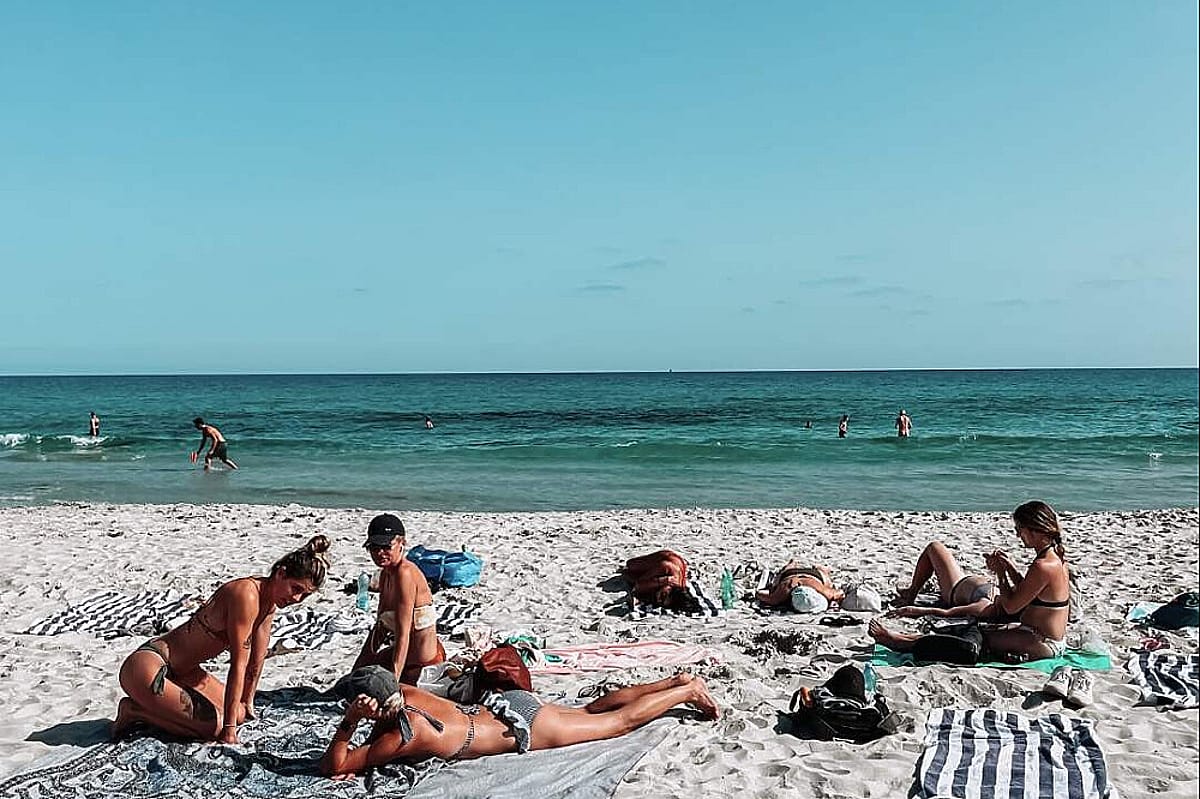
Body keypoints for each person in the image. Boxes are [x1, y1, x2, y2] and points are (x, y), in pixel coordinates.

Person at [113, 536, 330, 742]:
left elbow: (257, 659)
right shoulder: (247, 595)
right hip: (150, 666)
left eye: (305, 595)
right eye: (296, 589)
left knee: (238, 713)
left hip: (184, 672)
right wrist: (229, 731)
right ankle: (133, 711)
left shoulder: (269, 604)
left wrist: (248, 702)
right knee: (214, 727)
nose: (296, 599)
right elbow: (239, 663)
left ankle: (158, 708)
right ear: (281, 573)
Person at [320, 665, 719, 777]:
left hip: (525, 730)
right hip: (506, 704)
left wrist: (351, 723)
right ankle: (672, 680)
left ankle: (685, 692)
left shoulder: (404, 737)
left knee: (616, 725)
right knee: (592, 709)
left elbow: (335, 765)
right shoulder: (407, 691)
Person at [870, 501, 1072, 663]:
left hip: (1042, 641)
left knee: (969, 637)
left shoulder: (1043, 565)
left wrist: (1001, 574)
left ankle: (900, 642)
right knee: (973, 629)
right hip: (1041, 635)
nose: (1018, 535)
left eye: (1019, 529)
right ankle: (904, 639)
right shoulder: (1056, 558)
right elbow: (1029, 591)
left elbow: (1011, 607)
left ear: (1034, 529)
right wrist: (1009, 567)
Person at [353, 514, 446, 684]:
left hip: (423, 664)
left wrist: (393, 682)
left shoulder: (405, 574)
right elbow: (379, 630)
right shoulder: (385, 574)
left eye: (386, 546)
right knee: (359, 677)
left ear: (401, 543)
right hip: (404, 656)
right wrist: (357, 667)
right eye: (374, 547)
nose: (380, 553)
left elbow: (403, 634)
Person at [889, 541, 998, 619]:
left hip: (954, 586)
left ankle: (911, 593)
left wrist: (913, 610)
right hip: (965, 580)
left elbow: (947, 612)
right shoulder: (1006, 597)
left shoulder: (985, 607)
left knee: (934, 547)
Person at [622, 550, 698, 612]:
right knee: (630, 565)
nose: (658, 598)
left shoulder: (674, 587)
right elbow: (639, 584)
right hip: (666, 558)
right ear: (671, 588)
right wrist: (661, 581)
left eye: (661, 602)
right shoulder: (666, 569)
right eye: (663, 595)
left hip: (675, 565)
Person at [756, 560, 845, 608]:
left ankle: (793, 564)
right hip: (793, 575)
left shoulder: (823, 591)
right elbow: (760, 594)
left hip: (810, 576)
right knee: (779, 579)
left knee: (827, 582)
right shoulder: (782, 593)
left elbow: (839, 593)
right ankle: (792, 564)